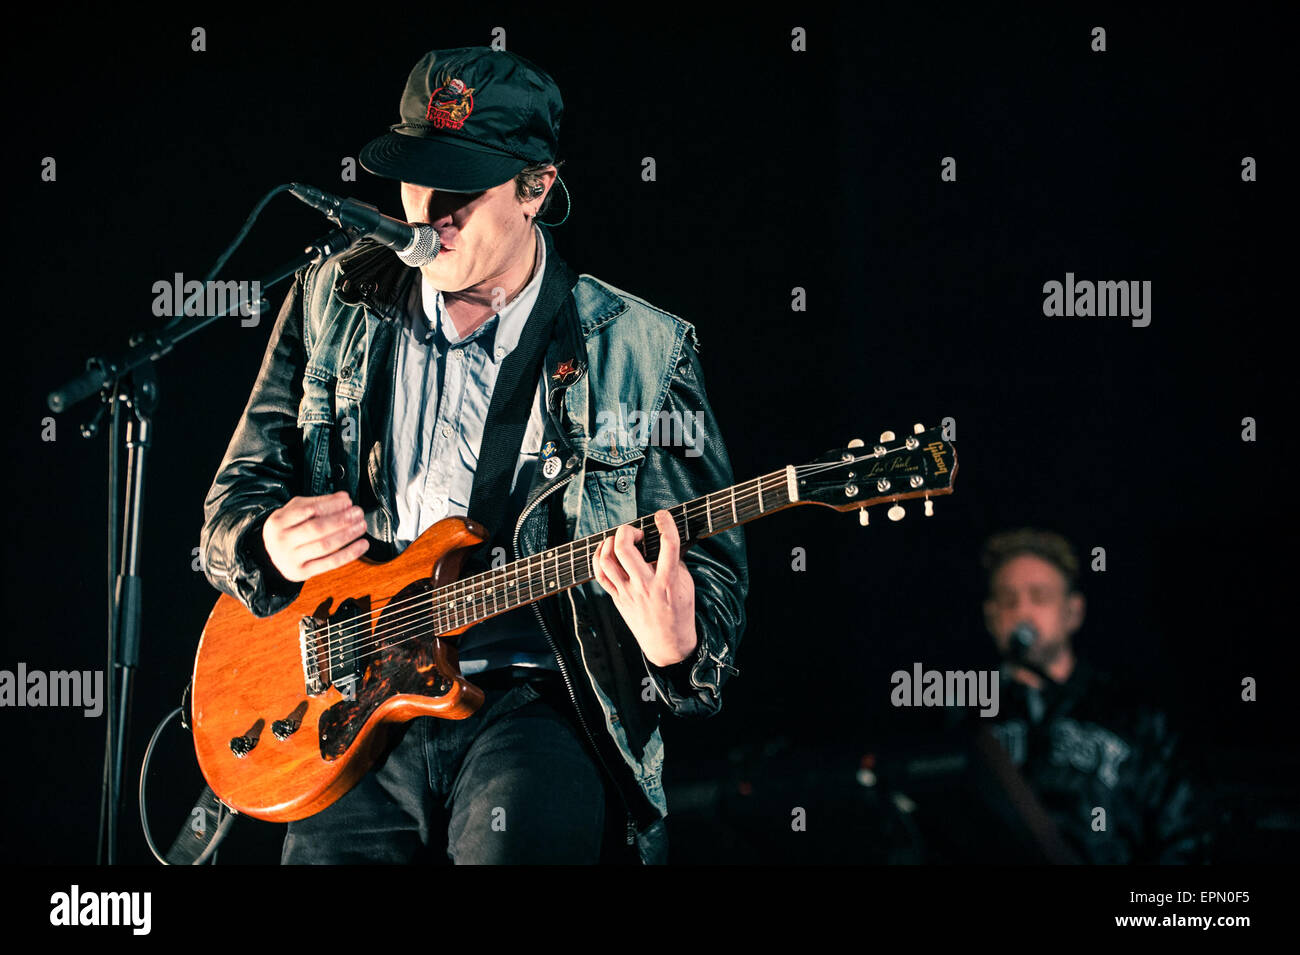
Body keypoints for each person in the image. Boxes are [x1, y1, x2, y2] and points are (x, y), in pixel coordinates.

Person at [199, 46, 749, 865]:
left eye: (465, 184)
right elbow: (228, 510)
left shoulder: (641, 349)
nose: (431, 210)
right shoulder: (332, 296)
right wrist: (267, 544)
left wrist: (677, 646)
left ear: (538, 188)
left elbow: (714, 600)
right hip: (352, 699)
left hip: (533, 700)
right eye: (419, 175)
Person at [976, 528, 1208, 863]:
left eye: (1039, 596)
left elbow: (1185, 836)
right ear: (991, 617)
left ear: (1073, 611)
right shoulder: (961, 714)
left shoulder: (1134, 715)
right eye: (1009, 600)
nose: (1022, 612)